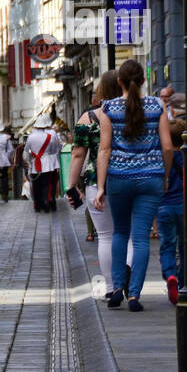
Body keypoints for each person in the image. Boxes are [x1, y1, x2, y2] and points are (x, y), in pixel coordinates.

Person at [94, 59, 173, 311]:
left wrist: (100, 186)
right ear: (142, 81)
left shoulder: (108, 108)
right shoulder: (156, 105)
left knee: (119, 232)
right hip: (150, 177)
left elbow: (104, 149)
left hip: (119, 177)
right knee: (140, 238)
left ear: (119, 82)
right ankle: (135, 295)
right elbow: (168, 146)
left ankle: (117, 287)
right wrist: (165, 175)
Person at [67, 71, 123, 293]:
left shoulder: (89, 118)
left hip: (95, 181)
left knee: (106, 237)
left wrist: (71, 186)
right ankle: (130, 283)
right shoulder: (134, 113)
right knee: (127, 235)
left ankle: (110, 287)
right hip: (129, 178)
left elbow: (78, 154)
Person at [159, 118, 186, 304]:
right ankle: (183, 282)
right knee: (185, 247)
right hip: (184, 207)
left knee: (167, 245)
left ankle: (170, 275)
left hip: (164, 207)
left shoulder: (161, 158)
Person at [25, 114, 62, 213]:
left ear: (36, 126)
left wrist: (29, 162)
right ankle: (46, 201)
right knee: (46, 184)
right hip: (47, 163)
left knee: (36, 185)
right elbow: (54, 150)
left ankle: (37, 205)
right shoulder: (50, 136)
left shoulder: (30, 137)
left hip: (35, 163)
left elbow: (27, 151)